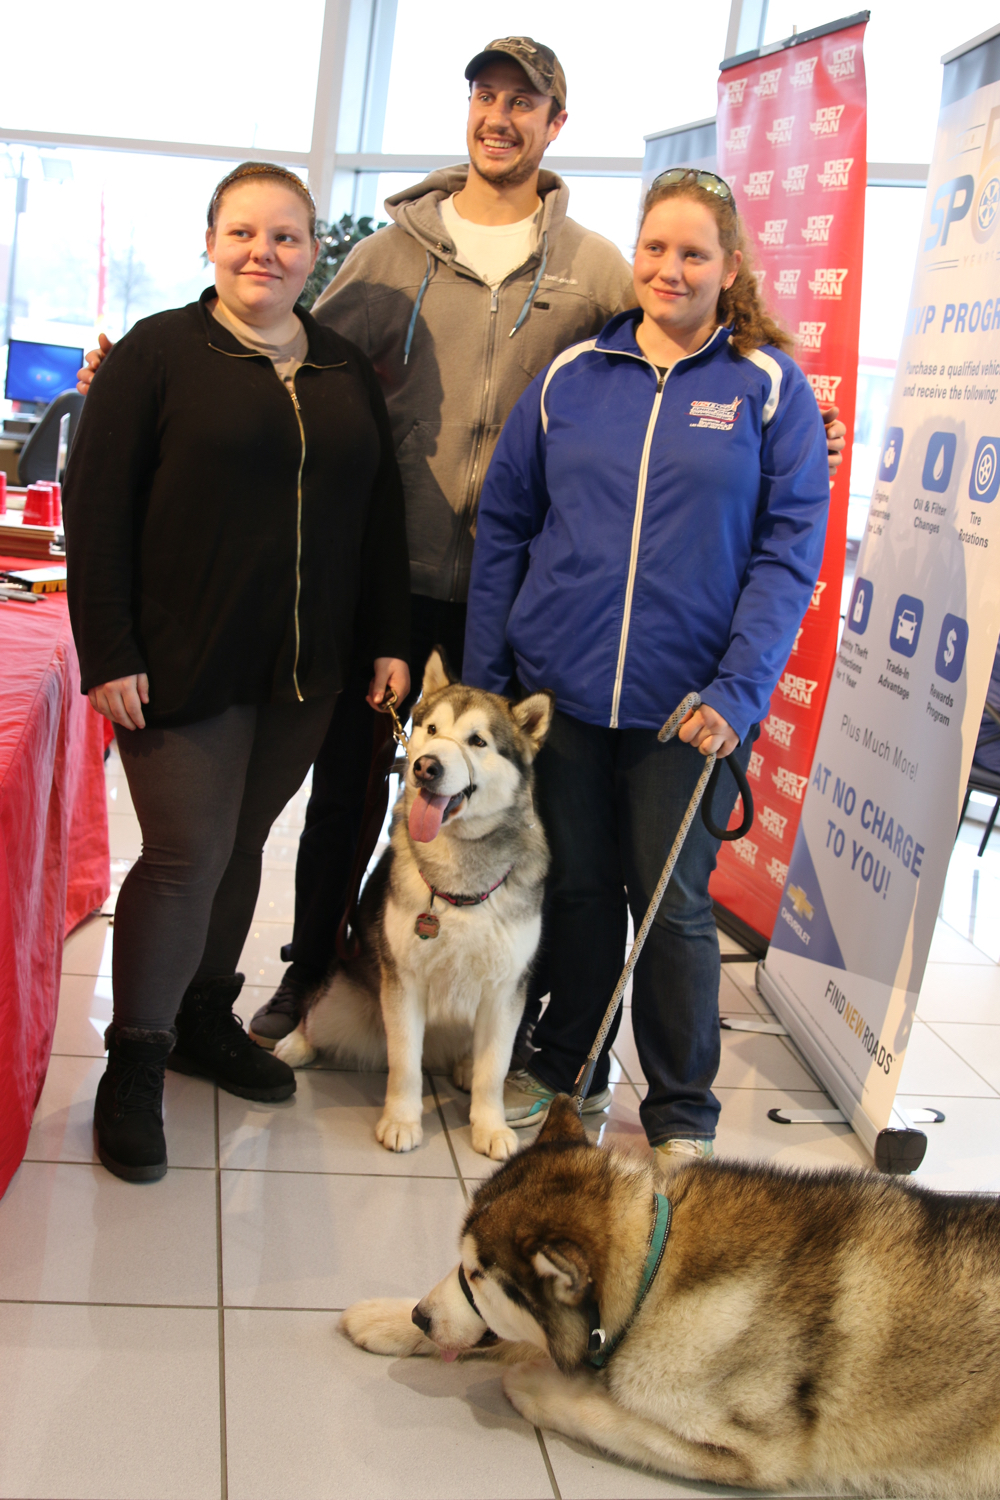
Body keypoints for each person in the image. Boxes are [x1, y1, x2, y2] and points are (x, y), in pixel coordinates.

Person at [463, 168, 832, 1169]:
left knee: (670, 907)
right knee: (578, 887)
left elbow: (789, 551)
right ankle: (570, 1068)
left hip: (691, 708)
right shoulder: (575, 374)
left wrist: (738, 689)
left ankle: (680, 1109)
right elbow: (505, 525)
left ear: (729, 267)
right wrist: (487, 680)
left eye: (693, 253)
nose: (670, 269)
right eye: (655, 249)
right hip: (563, 694)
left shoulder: (765, 389)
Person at [65, 161, 410, 1183]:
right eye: (244, 233)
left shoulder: (345, 369)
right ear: (211, 243)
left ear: (315, 252)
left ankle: (209, 1021)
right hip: (179, 661)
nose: (265, 252)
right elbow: (97, 508)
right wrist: (110, 650)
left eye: (287, 236)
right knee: (184, 853)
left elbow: (379, 516)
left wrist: (388, 636)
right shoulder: (157, 354)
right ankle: (134, 1063)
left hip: (303, 669)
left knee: (245, 839)